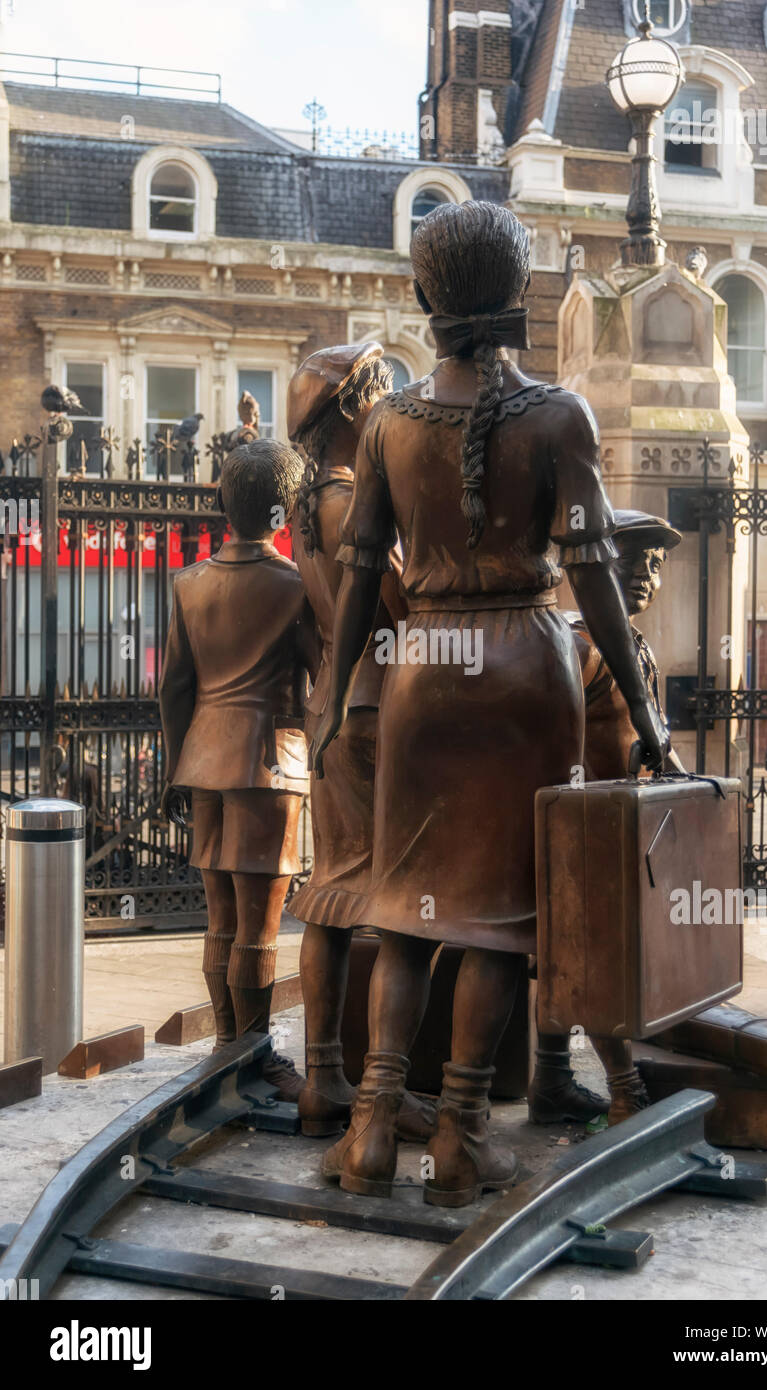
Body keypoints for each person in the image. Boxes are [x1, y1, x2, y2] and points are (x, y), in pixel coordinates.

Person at [311, 201, 670, 1206]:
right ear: (520, 296)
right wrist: (647, 717)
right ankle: (461, 1134)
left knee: (409, 909)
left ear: (428, 299)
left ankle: (375, 1125)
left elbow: (352, 581)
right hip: (523, 670)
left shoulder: (386, 425)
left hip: (423, 668)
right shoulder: (561, 416)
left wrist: (339, 696)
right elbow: (597, 584)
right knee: (500, 920)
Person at [288, 342, 434, 1143]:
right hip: (377, 714)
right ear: (353, 411)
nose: (387, 405)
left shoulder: (307, 503)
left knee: (333, 896)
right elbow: (404, 603)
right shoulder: (352, 505)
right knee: (397, 899)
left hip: (332, 713)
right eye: (379, 392)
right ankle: (384, 1089)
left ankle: (323, 1081)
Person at [159, 439, 317, 1101]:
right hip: (268, 766)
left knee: (219, 918)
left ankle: (228, 1046)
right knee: (257, 925)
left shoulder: (189, 582)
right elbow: (322, 679)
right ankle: (251, 1056)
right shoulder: (297, 585)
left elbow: (173, 687)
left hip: (203, 759)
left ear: (225, 504)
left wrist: (175, 768)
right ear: (287, 510)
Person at [567, 509, 684, 1125]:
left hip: (618, 823)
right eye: (632, 557)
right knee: (588, 958)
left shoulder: (636, 647)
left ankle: (550, 1077)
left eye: (656, 563)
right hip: (581, 824)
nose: (645, 572)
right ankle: (622, 1087)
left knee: (572, 952)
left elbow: (657, 737)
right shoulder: (579, 647)